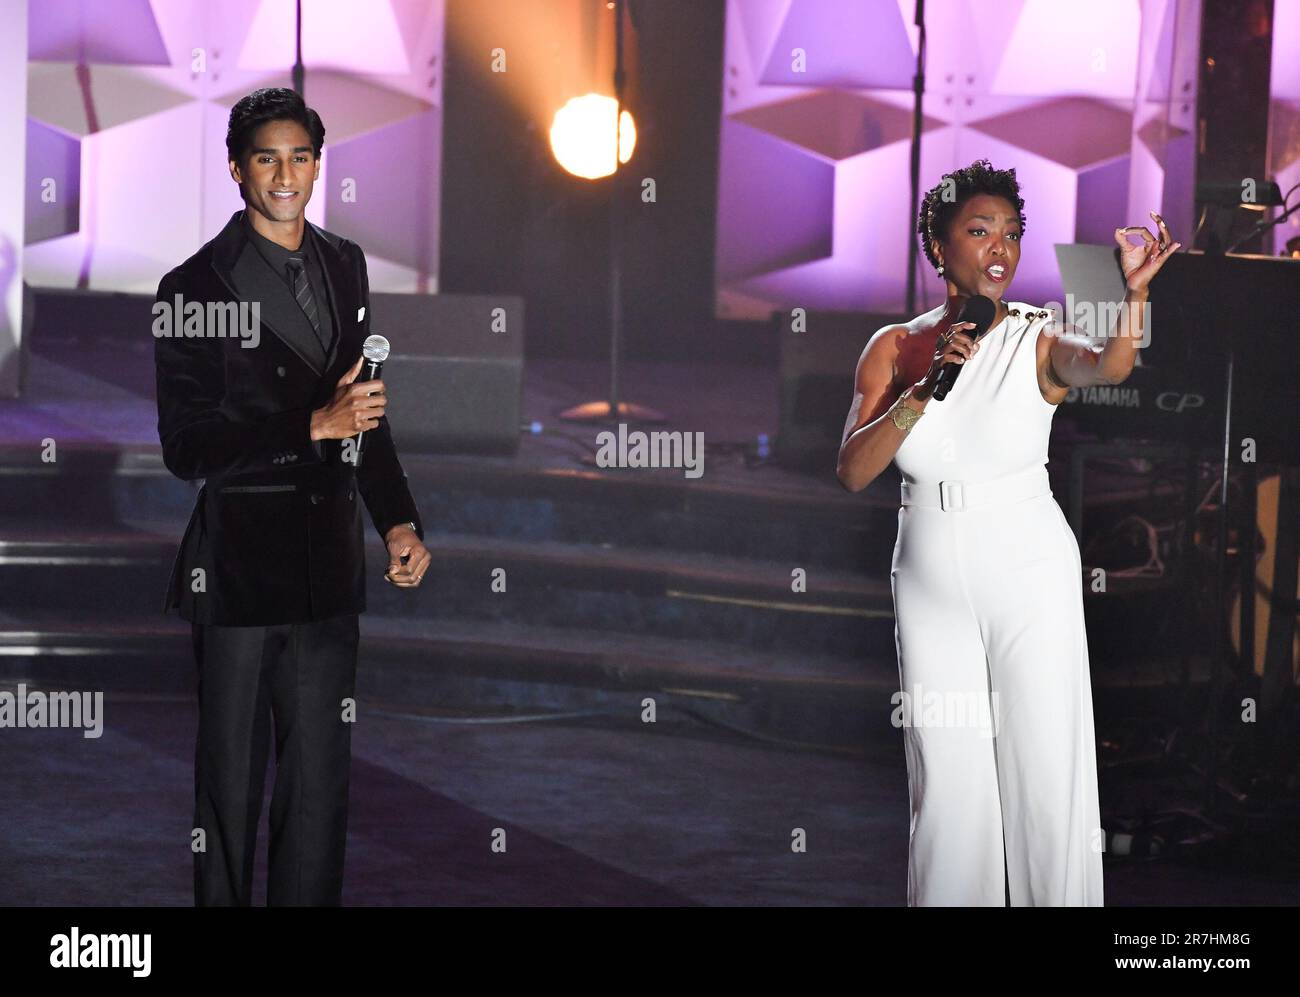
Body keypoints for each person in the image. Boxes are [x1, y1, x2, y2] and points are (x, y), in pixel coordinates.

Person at [836, 159, 1179, 906]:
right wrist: (922, 392)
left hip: (1025, 567)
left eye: (1013, 234)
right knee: (947, 787)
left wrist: (1136, 294)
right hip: (929, 578)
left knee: (1042, 775)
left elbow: (1111, 366)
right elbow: (855, 470)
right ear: (938, 246)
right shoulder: (894, 349)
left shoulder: (1037, 335)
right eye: (981, 229)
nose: (1001, 247)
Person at [154, 87, 433, 906]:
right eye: (267, 158)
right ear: (237, 169)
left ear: (318, 165)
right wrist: (311, 424)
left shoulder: (345, 263)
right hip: (237, 579)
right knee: (230, 796)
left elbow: (364, 410)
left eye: (301, 157)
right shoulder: (193, 287)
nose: (285, 174)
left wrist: (398, 519)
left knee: (318, 796)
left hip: (326, 573)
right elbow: (188, 447)